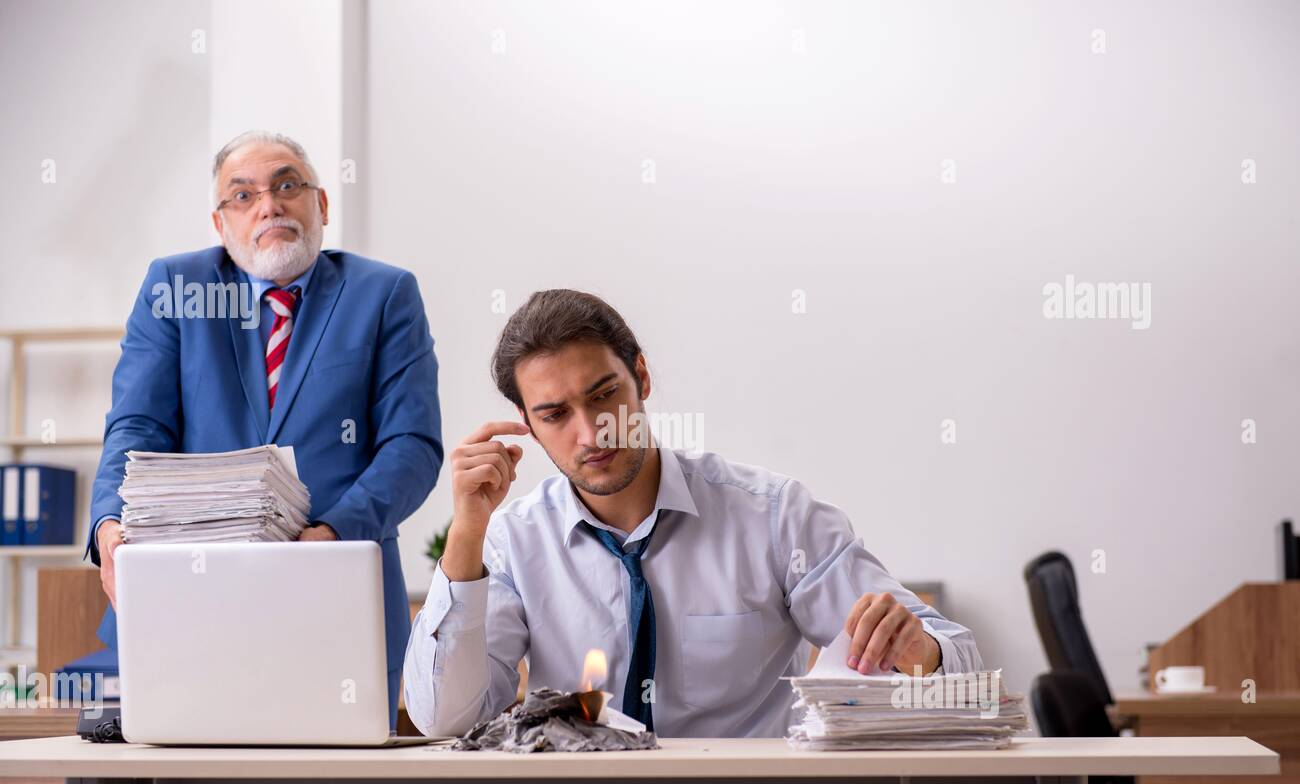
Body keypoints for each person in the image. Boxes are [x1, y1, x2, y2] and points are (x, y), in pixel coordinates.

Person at [403, 289, 979, 737]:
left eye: (604, 395)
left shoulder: (772, 517)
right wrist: (468, 531)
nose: (591, 432)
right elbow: (444, 719)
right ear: (527, 425)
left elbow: (963, 672)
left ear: (642, 377)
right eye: (555, 415)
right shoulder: (514, 540)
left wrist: (917, 653)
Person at [89, 131, 443, 729]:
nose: (269, 205)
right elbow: (136, 426)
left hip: (340, 593)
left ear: (321, 204)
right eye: (243, 195)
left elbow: (412, 445)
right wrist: (108, 523)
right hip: (190, 594)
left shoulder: (384, 294)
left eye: (286, 185)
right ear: (220, 222)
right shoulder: (176, 288)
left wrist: (333, 531)